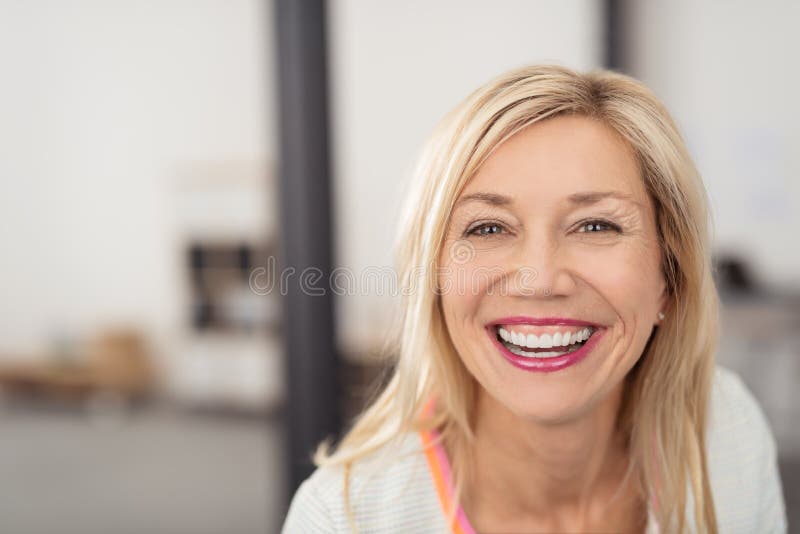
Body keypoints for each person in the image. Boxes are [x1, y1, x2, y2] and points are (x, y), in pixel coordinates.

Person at [281, 65, 788, 533]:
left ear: (669, 278)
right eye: (488, 227)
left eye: (595, 225)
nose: (540, 279)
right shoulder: (344, 518)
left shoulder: (728, 434)